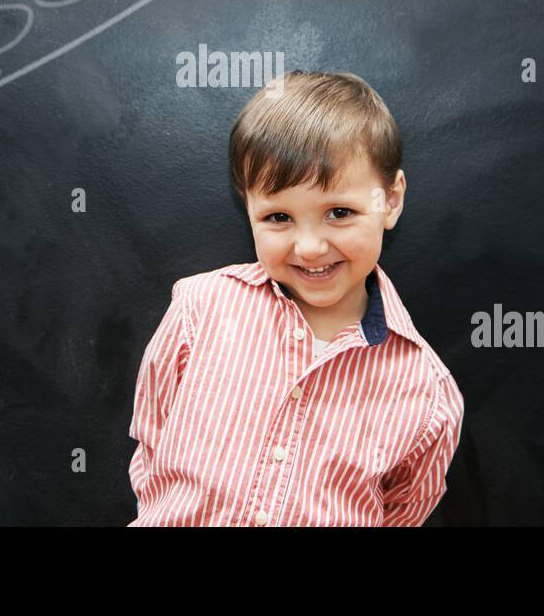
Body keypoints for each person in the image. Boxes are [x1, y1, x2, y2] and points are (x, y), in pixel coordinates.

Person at [126, 69, 464, 525]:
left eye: (339, 212)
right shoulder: (200, 308)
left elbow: (402, 510)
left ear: (391, 200)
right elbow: (152, 442)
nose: (308, 247)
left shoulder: (428, 393)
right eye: (279, 217)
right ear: (247, 206)